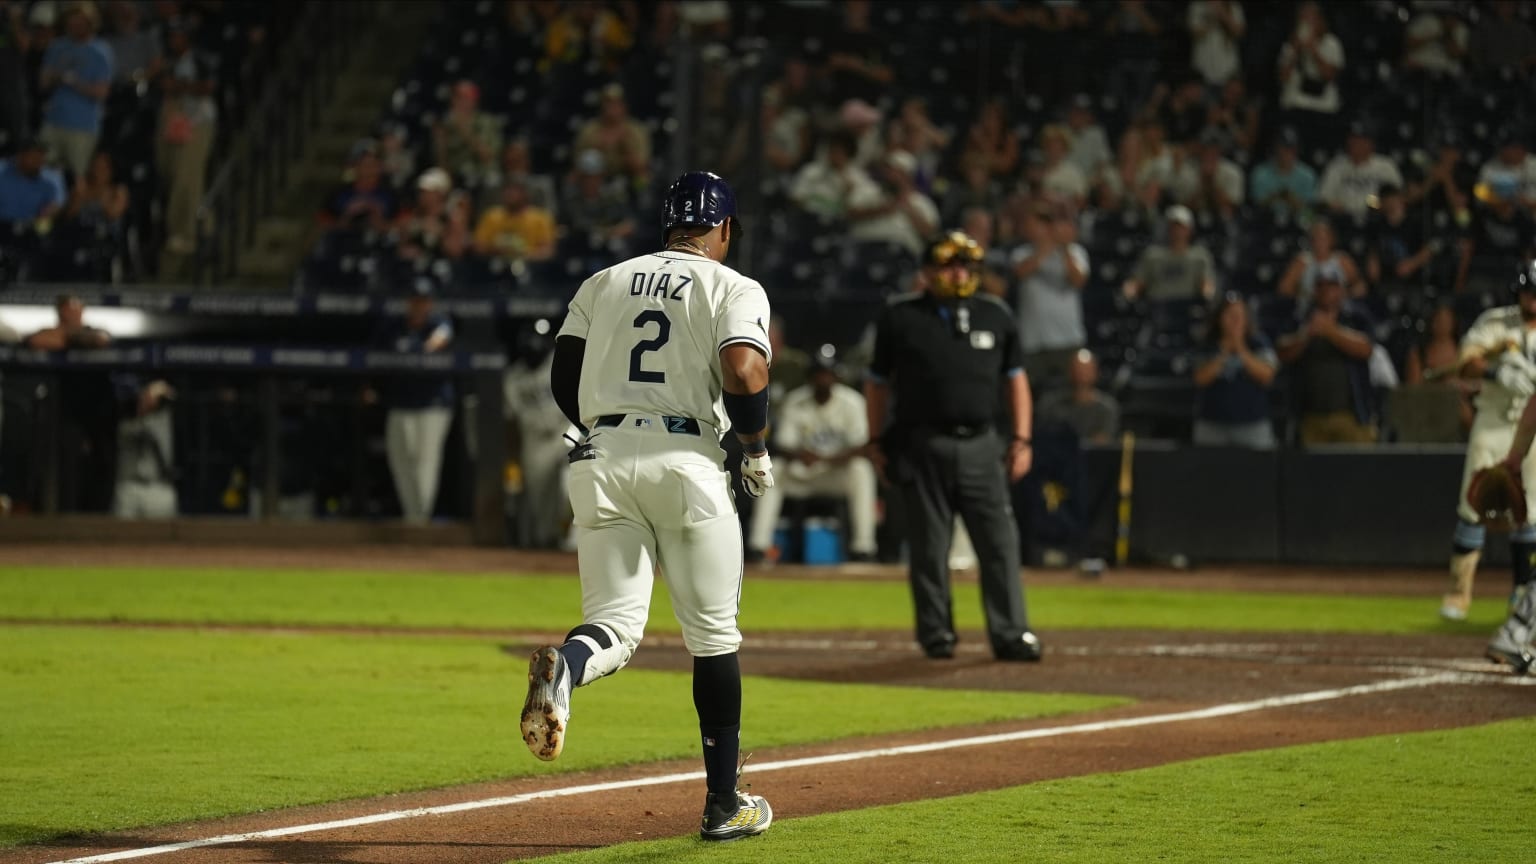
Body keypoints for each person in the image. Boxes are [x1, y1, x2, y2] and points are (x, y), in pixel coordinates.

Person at [526, 171, 773, 842]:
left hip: (601, 460)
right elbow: (746, 370)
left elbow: (563, 377)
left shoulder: (603, 281)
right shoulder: (733, 286)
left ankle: (566, 669)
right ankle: (724, 804)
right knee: (713, 638)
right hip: (686, 461)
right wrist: (751, 446)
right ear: (721, 229)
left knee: (613, 624)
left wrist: (607, 429)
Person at [863, 230, 1041, 662]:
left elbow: (1015, 380)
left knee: (1000, 542)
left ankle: (1011, 631)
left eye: (967, 265)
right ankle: (936, 632)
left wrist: (1021, 438)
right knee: (929, 545)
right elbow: (877, 384)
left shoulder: (995, 314)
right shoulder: (900, 316)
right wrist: (875, 439)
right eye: (949, 265)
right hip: (922, 443)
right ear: (927, 271)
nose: (960, 273)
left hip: (983, 442)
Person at [1438, 260, 1536, 623]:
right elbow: (1466, 363)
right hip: (1494, 421)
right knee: (1473, 503)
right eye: (1530, 293)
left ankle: (1522, 595)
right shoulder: (1496, 322)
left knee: (1531, 512)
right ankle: (1459, 592)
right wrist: (1497, 370)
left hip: (1534, 425)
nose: (1534, 301)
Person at [746, 353, 878, 564]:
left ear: (837, 376)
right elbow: (781, 444)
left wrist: (829, 459)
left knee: (861, 470)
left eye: (828, 373)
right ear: (810, 376)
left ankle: (863, 548)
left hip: (836, 473)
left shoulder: (852, 402)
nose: (823, 378)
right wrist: (801, 455)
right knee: (774, 470)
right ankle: (758, 546)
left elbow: (862, 447)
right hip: (804, 472)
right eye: (818, 373)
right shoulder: (795, 400)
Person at [374, 282, 454, 525]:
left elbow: (436, 343)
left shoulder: (439, 323)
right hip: (401, 402)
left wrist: (414, 350)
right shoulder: (394, 327)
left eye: (423, 300)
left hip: (433, 404)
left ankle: (421, 520)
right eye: (415, 300)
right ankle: (413, 519)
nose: (419, 306)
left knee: (425, 462)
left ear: (429, 303)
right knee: (401, 461)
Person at [1276, 267, 1378, 445]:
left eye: (1332, 286)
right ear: (1314, 290)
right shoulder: (1300, 317)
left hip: (1351, 416)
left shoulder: (1356, 316)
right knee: (1312, 472)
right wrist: (1307, 334)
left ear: (1341, 289)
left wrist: (1331, 331)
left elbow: (1366, 349)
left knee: (1357, 470)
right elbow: (1283, 351)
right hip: (1310, 418)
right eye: (1321, 287)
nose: (1326, 291)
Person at [1011, 204, 1089, 392]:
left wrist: (1064, 247)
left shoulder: (1075, 252)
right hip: (1032, 341)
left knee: (1068, 394)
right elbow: (1021, 272)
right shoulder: (1022, 253)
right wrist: (1048, 245)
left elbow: (1078, 280)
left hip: (1067, 339)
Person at [155, 18, 216, 256]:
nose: (174, 40)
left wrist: (180, 86)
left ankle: (187, 234)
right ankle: (205, 226)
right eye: (171, 35)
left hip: (197, 123)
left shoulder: (200, 58)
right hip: (173, 122)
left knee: (187, 179)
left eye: (178, 35)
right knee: (174, 176)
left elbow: (209, 87)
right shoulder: (170, 61)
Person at [1191, 294, 1278, 448]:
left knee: (1258, 469)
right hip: (1213, 424)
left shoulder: (1259, 343)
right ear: (1220, 318)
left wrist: (1241, 351)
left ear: (1247, 319)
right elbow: (1199, 379)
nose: (1235, 320)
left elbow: (1267, 376)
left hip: (1252, 424)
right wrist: (1223, 355)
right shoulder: (1207, 344)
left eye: (1239, 315)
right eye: (1230, 315)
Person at [37, 0, 111, 178]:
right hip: (54, 120)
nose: (74, 26)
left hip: (83, 126)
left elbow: (102, 92)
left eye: (79, 22)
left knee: (77, 176)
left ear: (90, 23)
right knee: (42, 171)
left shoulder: (100, 51)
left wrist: (75, 83)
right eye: (71, 22)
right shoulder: (58, 46)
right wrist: (57, 77)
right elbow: (43, 82)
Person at [1122, 205, 1217, 303]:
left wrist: (1207, 293)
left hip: (1187, 306)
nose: (1177, 232)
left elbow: (1207, 283)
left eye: (1181, 227)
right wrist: (1130, 290)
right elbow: (1138, 282)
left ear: (1190, 230)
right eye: (1173, 227)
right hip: (1157, 306)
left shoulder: (1200, 256)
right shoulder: (1152, 255)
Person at [114, 380, 177, 519]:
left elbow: (176, 407)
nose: (153, 402)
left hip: (159, 488)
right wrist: (146, 399)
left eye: (158, 400)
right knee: (121, 537)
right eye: (147, 398)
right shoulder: (127, 425)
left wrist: (163, 394)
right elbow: (143, 429)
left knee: (164, 538)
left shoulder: (168, 422)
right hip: (129, 487)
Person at [1318, 124, 1404, 219]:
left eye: (1361, 141)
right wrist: (1333, 205)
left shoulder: (1385, 166)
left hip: (1377, 218)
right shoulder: (1336, 165)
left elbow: (1396, 196)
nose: (1356, 145)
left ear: (1371, 144)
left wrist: (1374, 203)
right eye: (1353, 140)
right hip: (1342, 218)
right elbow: (1324, 197)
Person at [1037, 349, 1119, 445]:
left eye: (1086, 370)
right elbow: (1045, 439)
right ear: (1069, 371)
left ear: (1095, 372)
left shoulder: (1107, 408)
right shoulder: (1051, 405)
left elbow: (1103, 441)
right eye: (1077, 369)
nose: (1081, 374)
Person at [1278, 219, 1364, 303]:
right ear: (1311, 240)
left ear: (1332, 239)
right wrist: (1305, 297)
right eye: (1316, 238)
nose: (1320, 242)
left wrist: (1343, 295)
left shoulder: (1342, 260)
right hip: (1309, 309)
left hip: (1339, 308)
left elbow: (1360, 287)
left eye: (1324, 238)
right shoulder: (1302, 261)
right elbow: (1284, 288)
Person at [1249, 127, 1317, 221]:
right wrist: (1276, 196)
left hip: (1297, 222)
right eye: (1283, 147)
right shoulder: (1260, 173)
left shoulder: (1307, 175)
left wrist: (1291, 199)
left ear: (1297, 149)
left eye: (1291, 148)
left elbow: (1310, 214)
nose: (1287, 152)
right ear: (1275, 148)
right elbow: (1256, 206)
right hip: (1266, 221)